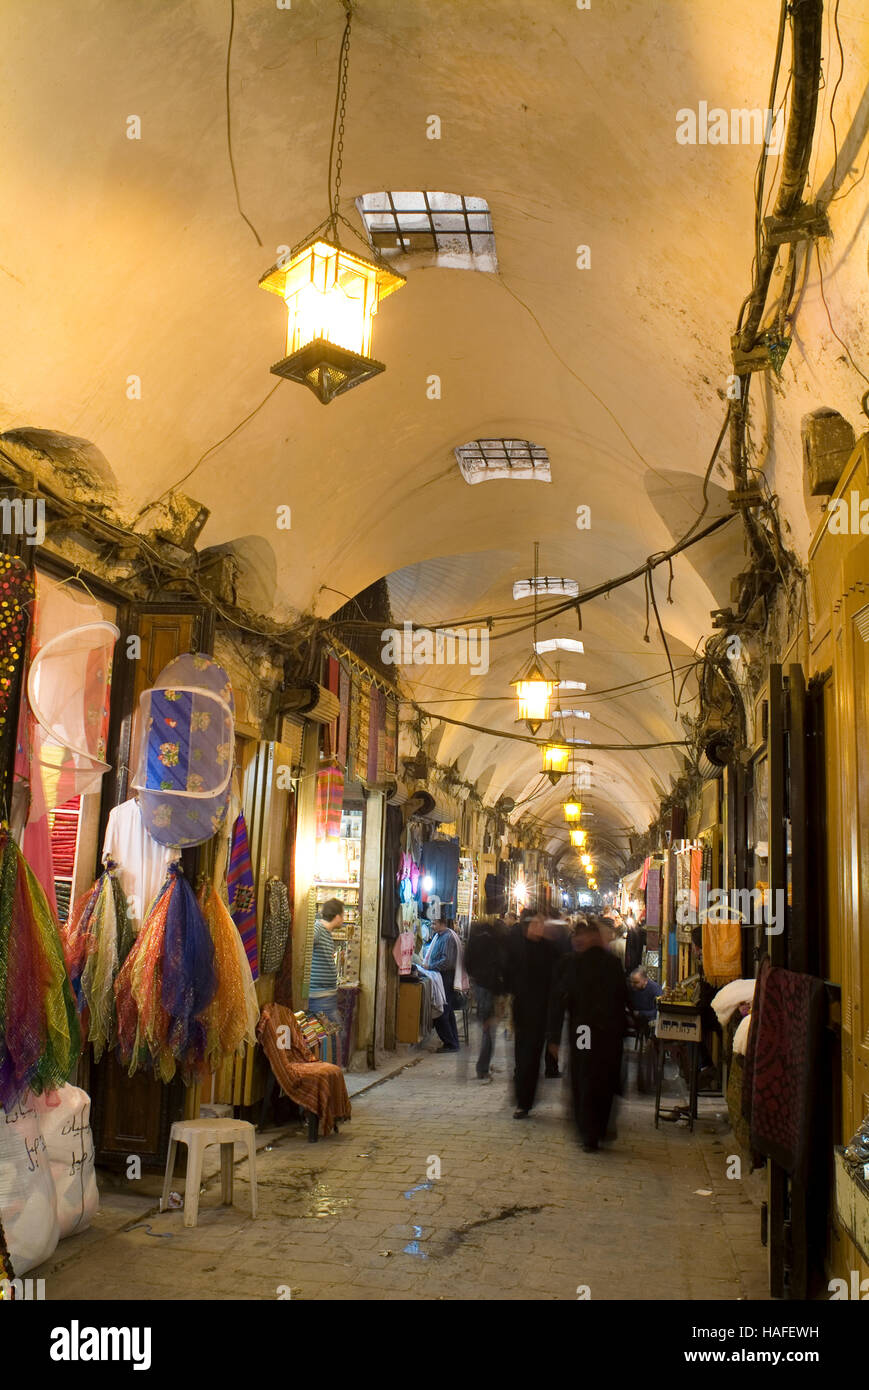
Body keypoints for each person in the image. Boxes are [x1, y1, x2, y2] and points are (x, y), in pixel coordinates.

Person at [549, 919, 630, 1152]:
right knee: (602, 1078)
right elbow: (623, 997)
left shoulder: (575, 963)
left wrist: (553, 1036)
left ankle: (589, 1132)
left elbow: (561, 999)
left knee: (586, 1076)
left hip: (584, 1030)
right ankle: (597, 1128)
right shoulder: (611, 963)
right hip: (608, 1032)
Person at [507, 910, 565, 1118]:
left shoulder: (550, 950)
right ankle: (522, 1096)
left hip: (542, 1014)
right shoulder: (518, 948)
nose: (540, 928)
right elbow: (509, 973)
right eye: (536, 924)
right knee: (522, 1057)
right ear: (528, 926)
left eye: (542, 924)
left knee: (531, 1058)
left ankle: (525, 1101)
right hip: (522, 1011)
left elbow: (558, 982)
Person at [465, 916, 509, 1081]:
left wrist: (475, 978)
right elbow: (501, 964)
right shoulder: (495, 941)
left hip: (480, 985)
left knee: (487, 1027)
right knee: (488, 1028)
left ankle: (483, 1066)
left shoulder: (475, 939)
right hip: (490, 987)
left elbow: (467, 963)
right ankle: (482, 1067)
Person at [423, 917, 460, 1052]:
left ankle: (450, 1044)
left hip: (444, 978)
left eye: (434, 923)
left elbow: (447, 962)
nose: (432, 926)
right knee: (447, 1011)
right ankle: (453, 1042)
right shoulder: (439, 936)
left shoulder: (447, 938)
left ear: (442, 923)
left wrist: (429, 967)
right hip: (441, 977)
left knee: (441, 1011)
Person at [309, 897, 343, 1024]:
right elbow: (305, 944)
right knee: (333, 1034)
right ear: (337, 916)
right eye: (343, 914)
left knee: (334, 1033)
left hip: (325, 995)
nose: (343, 919)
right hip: (319, 996)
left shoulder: (326, 933)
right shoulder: (318, 928)